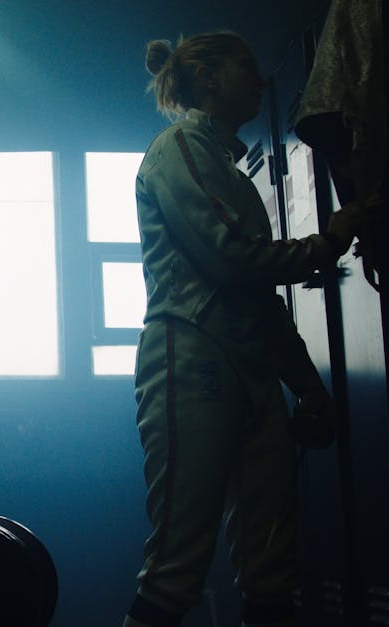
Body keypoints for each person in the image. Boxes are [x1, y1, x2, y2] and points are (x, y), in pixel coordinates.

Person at [123, 32, 371, 627]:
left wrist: (308, 386)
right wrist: (329, 241)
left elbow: (260, 300)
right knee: (178, 559)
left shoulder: (230, 171)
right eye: (246, 67)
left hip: (250, 369)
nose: (260, 81)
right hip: (190, 357)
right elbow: (231, 257)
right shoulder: (178, 145)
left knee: (271, 564)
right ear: (208, 77)